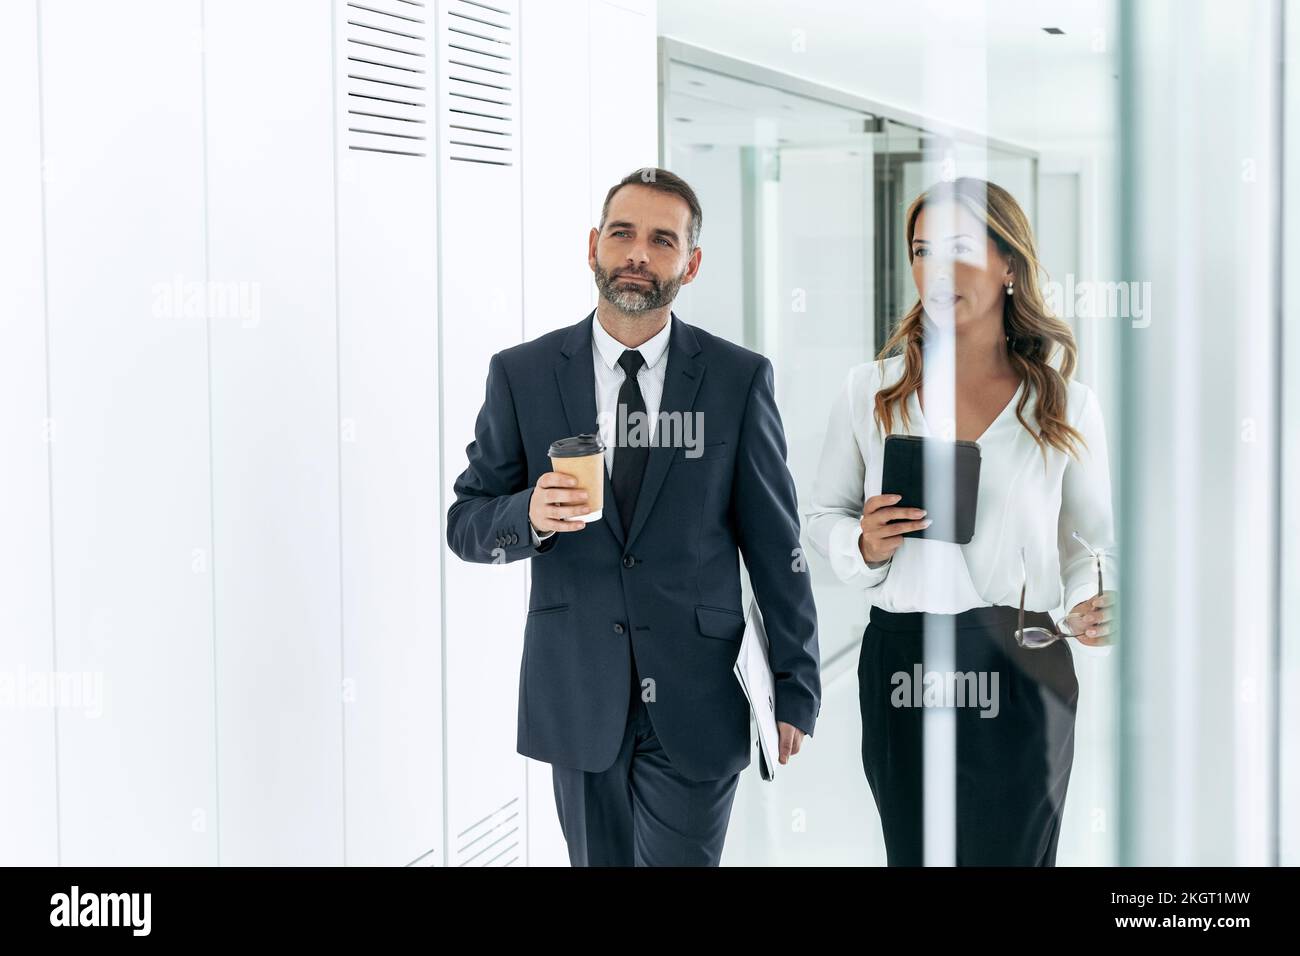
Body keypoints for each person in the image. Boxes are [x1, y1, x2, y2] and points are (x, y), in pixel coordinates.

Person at [446, 167, 820, 866]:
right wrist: (527, 512)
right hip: (579, 692)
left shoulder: (737, 380)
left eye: (661, 240)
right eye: (622, 234)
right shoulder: (522, 375)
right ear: (594, 246)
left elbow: (777, 545)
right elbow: (465, 522)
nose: (638, 254)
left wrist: (797, 687)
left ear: (692, 263)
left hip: (701, 691)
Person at [804, 177, 1117, 866]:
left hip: (1024, 659)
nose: (934, 271)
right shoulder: (870, 392)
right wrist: (864, 542)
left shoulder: (1065, 405)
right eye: (920, 251)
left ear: (1010, 266)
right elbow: (820, 517)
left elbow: (1091, 545)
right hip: (901, 662)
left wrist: (1095, 598)